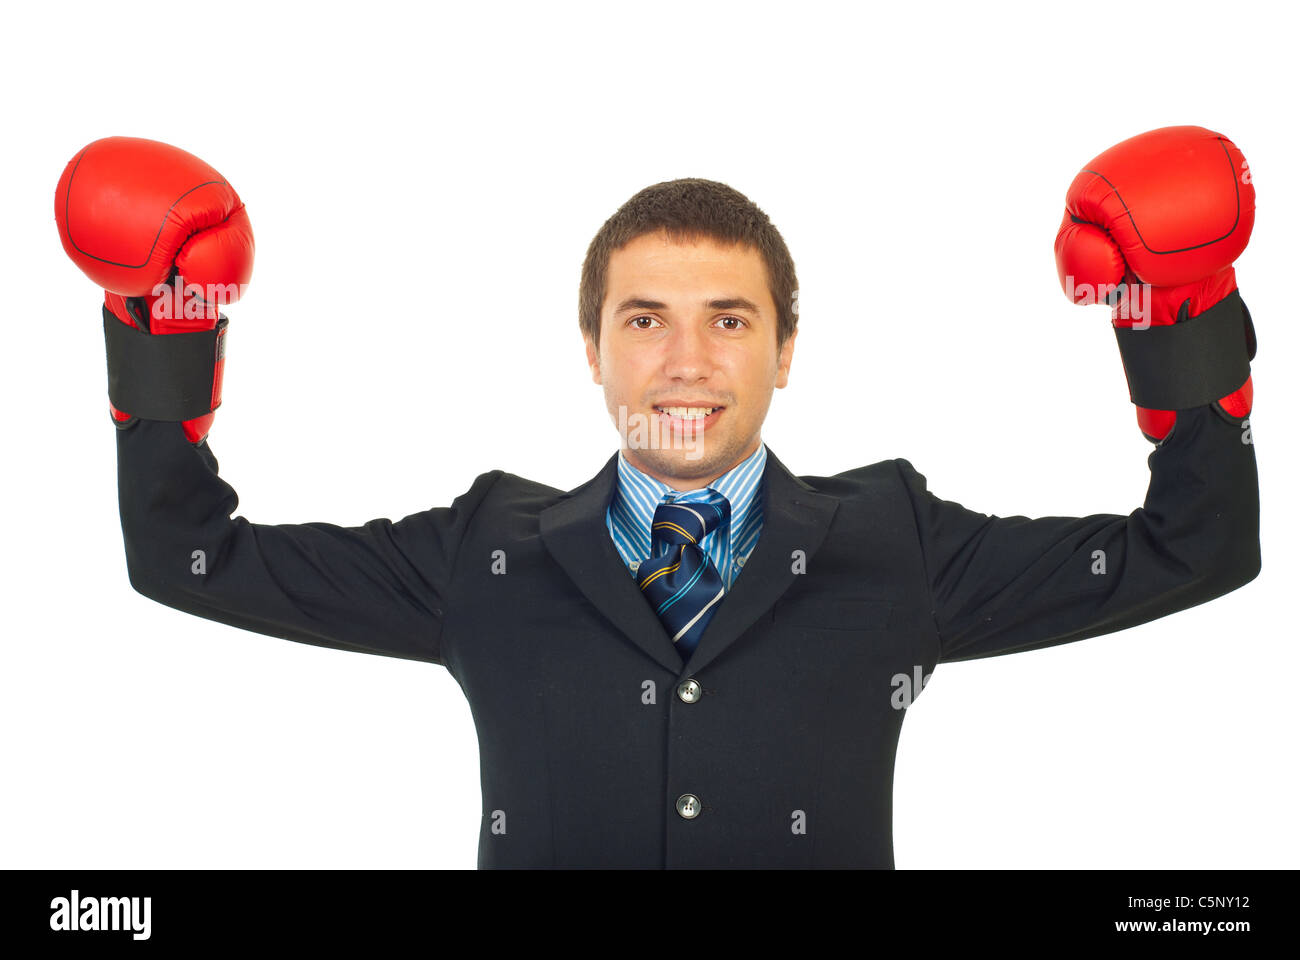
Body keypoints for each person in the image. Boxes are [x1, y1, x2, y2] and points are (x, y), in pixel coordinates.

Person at [54, 127, 1260, 868]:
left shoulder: (897, 544)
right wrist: (163, 327)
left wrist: (1184, 318)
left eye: (728, 322)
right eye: (645, 321)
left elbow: (1192, 549)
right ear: (591, 348)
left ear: (786, 351)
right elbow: (190, 559)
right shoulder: (485, 550)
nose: (686, 362)